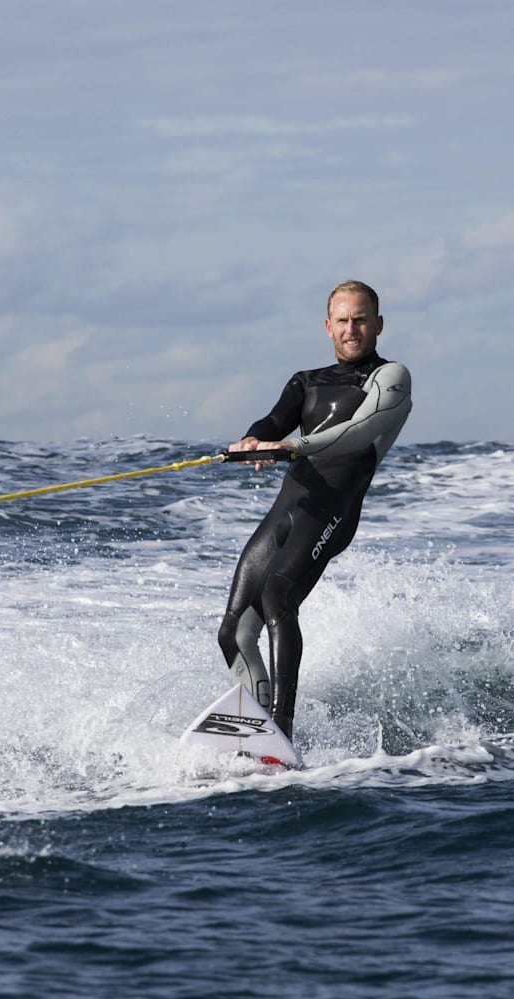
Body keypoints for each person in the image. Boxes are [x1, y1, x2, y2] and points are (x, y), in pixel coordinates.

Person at [218, 280, 412, 739]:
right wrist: (252, 440)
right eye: (343, 321)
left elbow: (357, 432)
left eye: (361, 320)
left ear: (378, 325)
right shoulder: (305, 381)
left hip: (332, 512)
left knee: (278, 600)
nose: (352, 330)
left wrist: (289, 448)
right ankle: (255, 723)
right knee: (234, 630)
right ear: (328, 327)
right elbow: (273, 421)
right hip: (289, 507)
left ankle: (282, 730)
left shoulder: (390, 378)